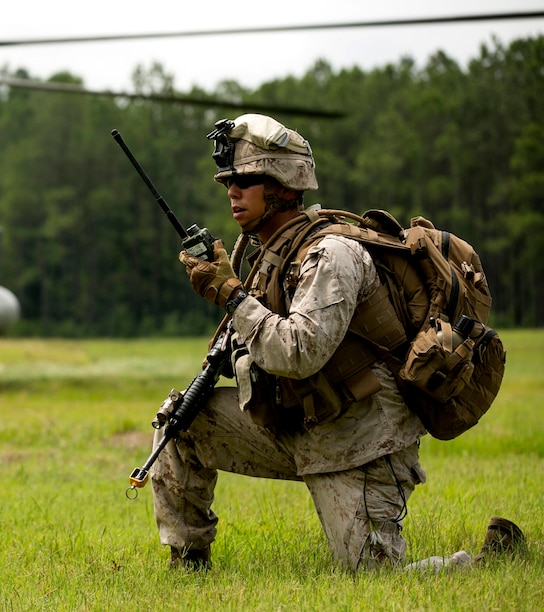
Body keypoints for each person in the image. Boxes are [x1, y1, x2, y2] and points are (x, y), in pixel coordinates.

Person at [151, 113, 523, 572]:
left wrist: (230, 294)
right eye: (230, 180)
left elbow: (299, 351)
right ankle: (187, 563)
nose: (232, 190)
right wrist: (233, 302)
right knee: (180, 423)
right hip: (303, 427)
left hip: (364, 442)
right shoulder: (268, 256)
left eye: (247, 179)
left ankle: (488, 560)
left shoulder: (333, 254)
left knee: (373, 578)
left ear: (284, 187)